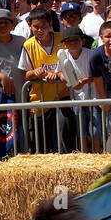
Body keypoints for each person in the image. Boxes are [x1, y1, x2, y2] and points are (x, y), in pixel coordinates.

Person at [18, 8, 74, 153]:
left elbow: (71, 65)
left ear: (50, 24)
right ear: (29, 26)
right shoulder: (28, 45)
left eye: (43, 26)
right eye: (36, 27)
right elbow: (26, 74)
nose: (40, 30)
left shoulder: (62, 39)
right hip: (39, 101)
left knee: (64, 132)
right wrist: (35, 73)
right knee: (41, 143)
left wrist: (61, 73)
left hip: (61, 95)